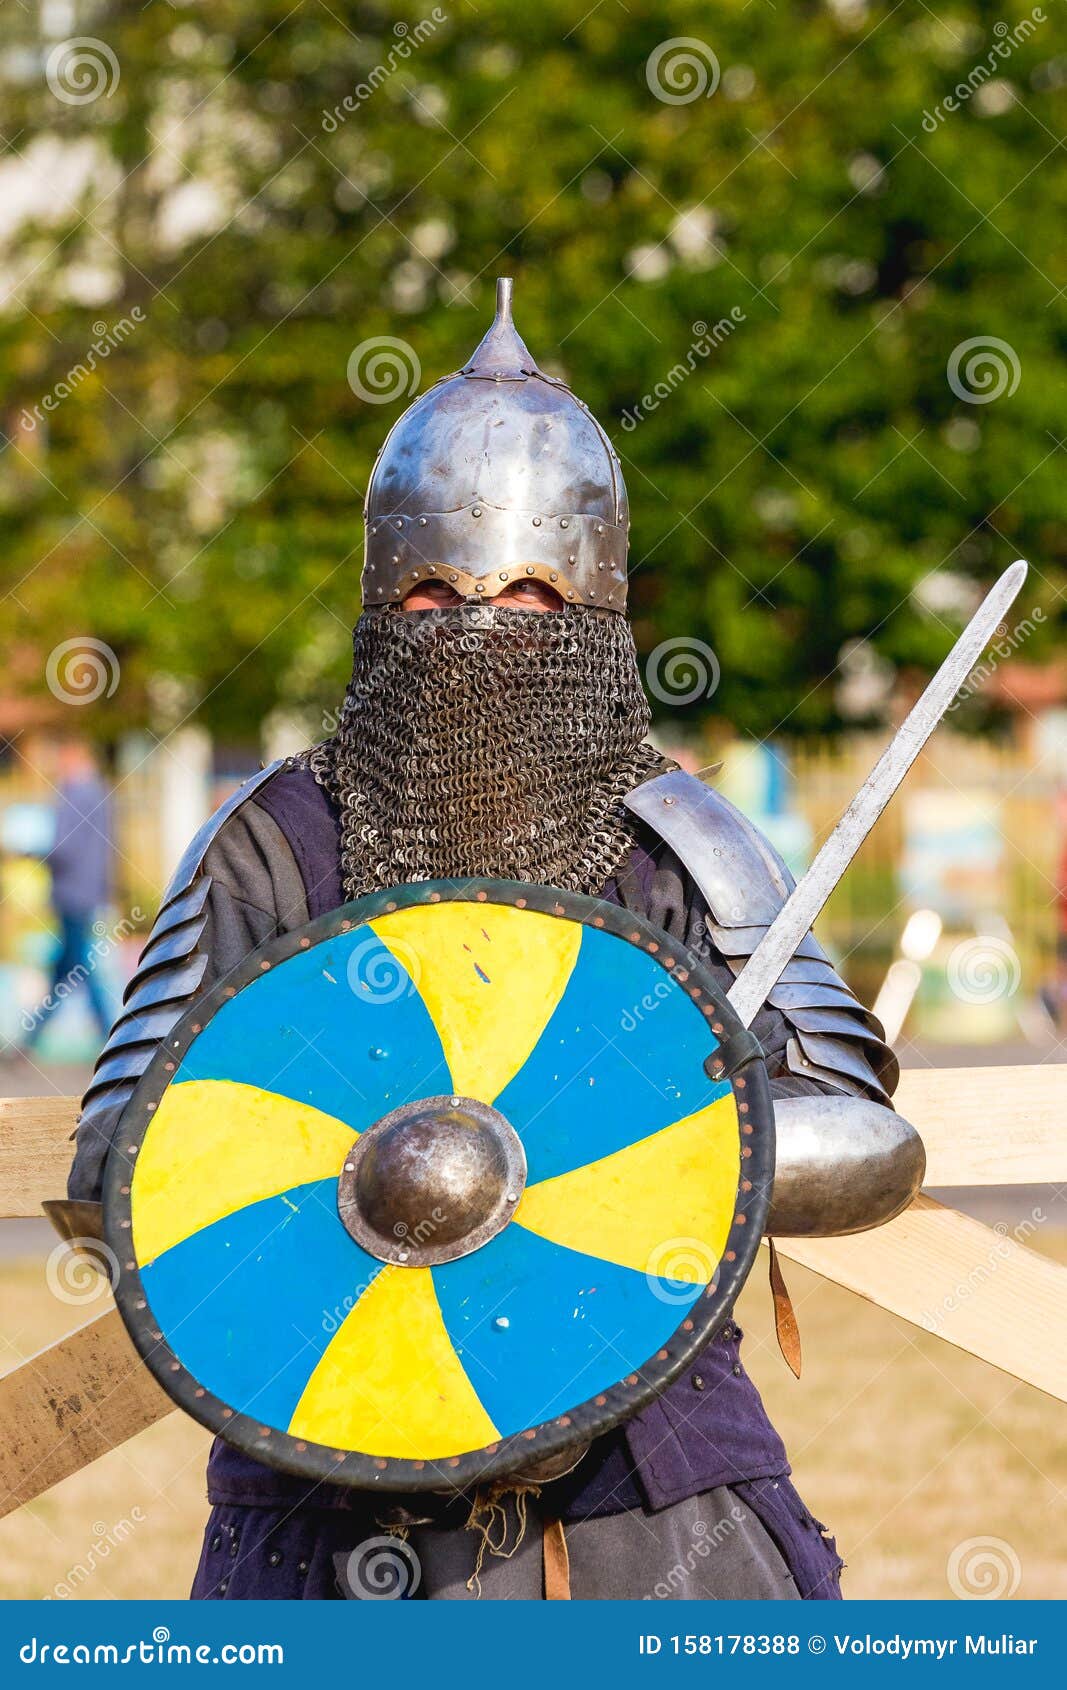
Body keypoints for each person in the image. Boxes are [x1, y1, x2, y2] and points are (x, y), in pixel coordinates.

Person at [55, 280, 921, 1601]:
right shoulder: (277, 837)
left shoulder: (683, 838)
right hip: (327, 1468)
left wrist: (613, 1143)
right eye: (429, 591)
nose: (475, 623)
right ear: (374, 598)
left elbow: (857, 1138)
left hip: (644, 1466)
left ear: (591, 605)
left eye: (524, 591)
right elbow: (123, 1149)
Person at [23, 738, 113, 1052]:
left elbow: (66, 847)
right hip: (85, 891)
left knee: (79, 968)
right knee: (68, 967)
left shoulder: (77, 792)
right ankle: (30, 1038)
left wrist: (33, 853)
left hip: (73, 892)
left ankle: (111, 1037)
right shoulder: (98, 791)